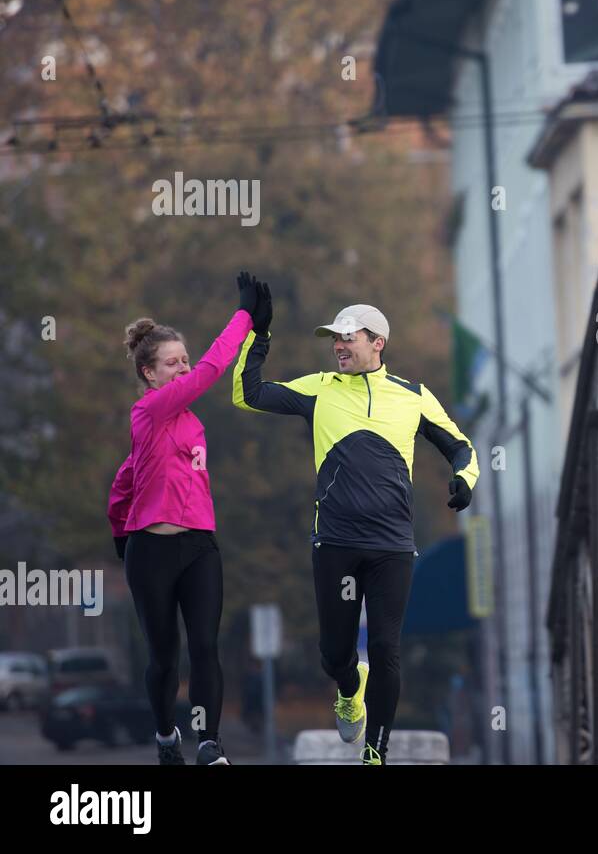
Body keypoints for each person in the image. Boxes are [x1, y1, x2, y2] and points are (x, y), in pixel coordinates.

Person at [231, 288, 478, 764]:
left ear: (378, 342)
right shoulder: (319, 389)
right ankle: (349, 688)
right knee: (335, 653)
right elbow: (248, 393)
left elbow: (462, 448)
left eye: (349, 338)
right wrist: (256, 334)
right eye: (335, 339)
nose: (339, 346)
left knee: (387, 649)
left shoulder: (413, 396)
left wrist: (464, 481)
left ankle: (375, 753)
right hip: (337, 544)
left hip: (392, 546)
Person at [107, 271, 269, 765]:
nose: (184, 369)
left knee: (205, 646)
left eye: (185, 360)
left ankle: (209, 743)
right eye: (172, 363)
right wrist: (243, 316)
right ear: (150, 375)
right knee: (164, 657)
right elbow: (214, 368)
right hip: (152, 552)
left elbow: (126, 479)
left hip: (199, 547)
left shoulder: (191, 422)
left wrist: (259, 333)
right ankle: (164, 736)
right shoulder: (148, 412)